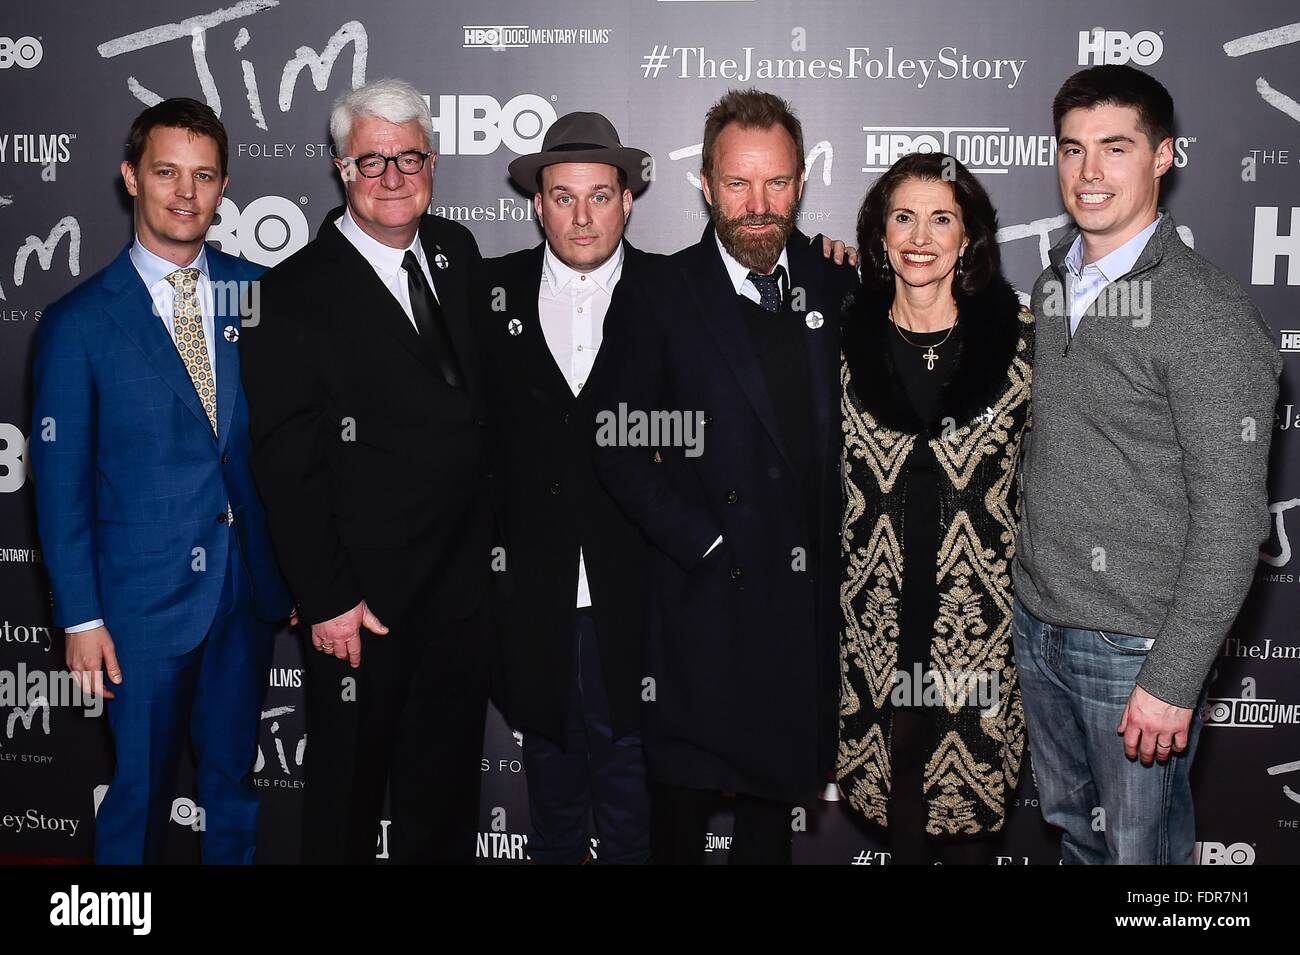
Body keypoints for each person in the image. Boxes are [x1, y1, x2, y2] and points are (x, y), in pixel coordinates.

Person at [1013, 64, 1280, 864]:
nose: (1089, 173)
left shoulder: (1207, 311)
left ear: (1163, 157)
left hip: (1134, 648)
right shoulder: (1053, 281)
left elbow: (1235, 521)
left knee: (1142, 858)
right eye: (1072, 149)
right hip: (1040, 625)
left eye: (1115, 148)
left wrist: (1171, 677)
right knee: (1075, 839)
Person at [595, 88, 857, 864]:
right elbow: (614, 438)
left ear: (802, 182)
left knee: (770, 831)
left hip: (800, 610)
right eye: (737, 184)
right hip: (699, 609)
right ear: (705, 184)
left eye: (776, 183)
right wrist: (702, 543)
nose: (757, 205)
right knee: (677, 821)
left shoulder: (838, 283)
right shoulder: (660, 292)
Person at [30, 98, 291, 864]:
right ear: (130, 177)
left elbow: (289, 450)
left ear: (223, 187)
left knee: (234, 791)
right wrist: (80, 619)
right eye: (167, 172)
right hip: (135, 609)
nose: (186, 192)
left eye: (204, 176)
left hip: (244, 595)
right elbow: (60, 484)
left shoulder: (260, 293)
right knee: (137, 796)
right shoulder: (79, 323)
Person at [239, 79, 491, 864]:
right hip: (361, 610)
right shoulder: (289, 293)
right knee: (346, 801)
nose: (392, 177)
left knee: (444, 802)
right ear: (341, 170)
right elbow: (285, 461)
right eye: (372, 160)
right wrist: (327, 596)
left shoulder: (457, 251)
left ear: (433, 162)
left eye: (408, 157)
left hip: (460, 597)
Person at [837, 151, 1032, 864]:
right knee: (902, 829)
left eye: (941, 218)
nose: (921, 236)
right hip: (871, 635)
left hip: (978, 637)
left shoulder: (1022, 346)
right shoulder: (839, 342)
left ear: (968, 237)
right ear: (880, 234)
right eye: (904, 217)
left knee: (972, 840)